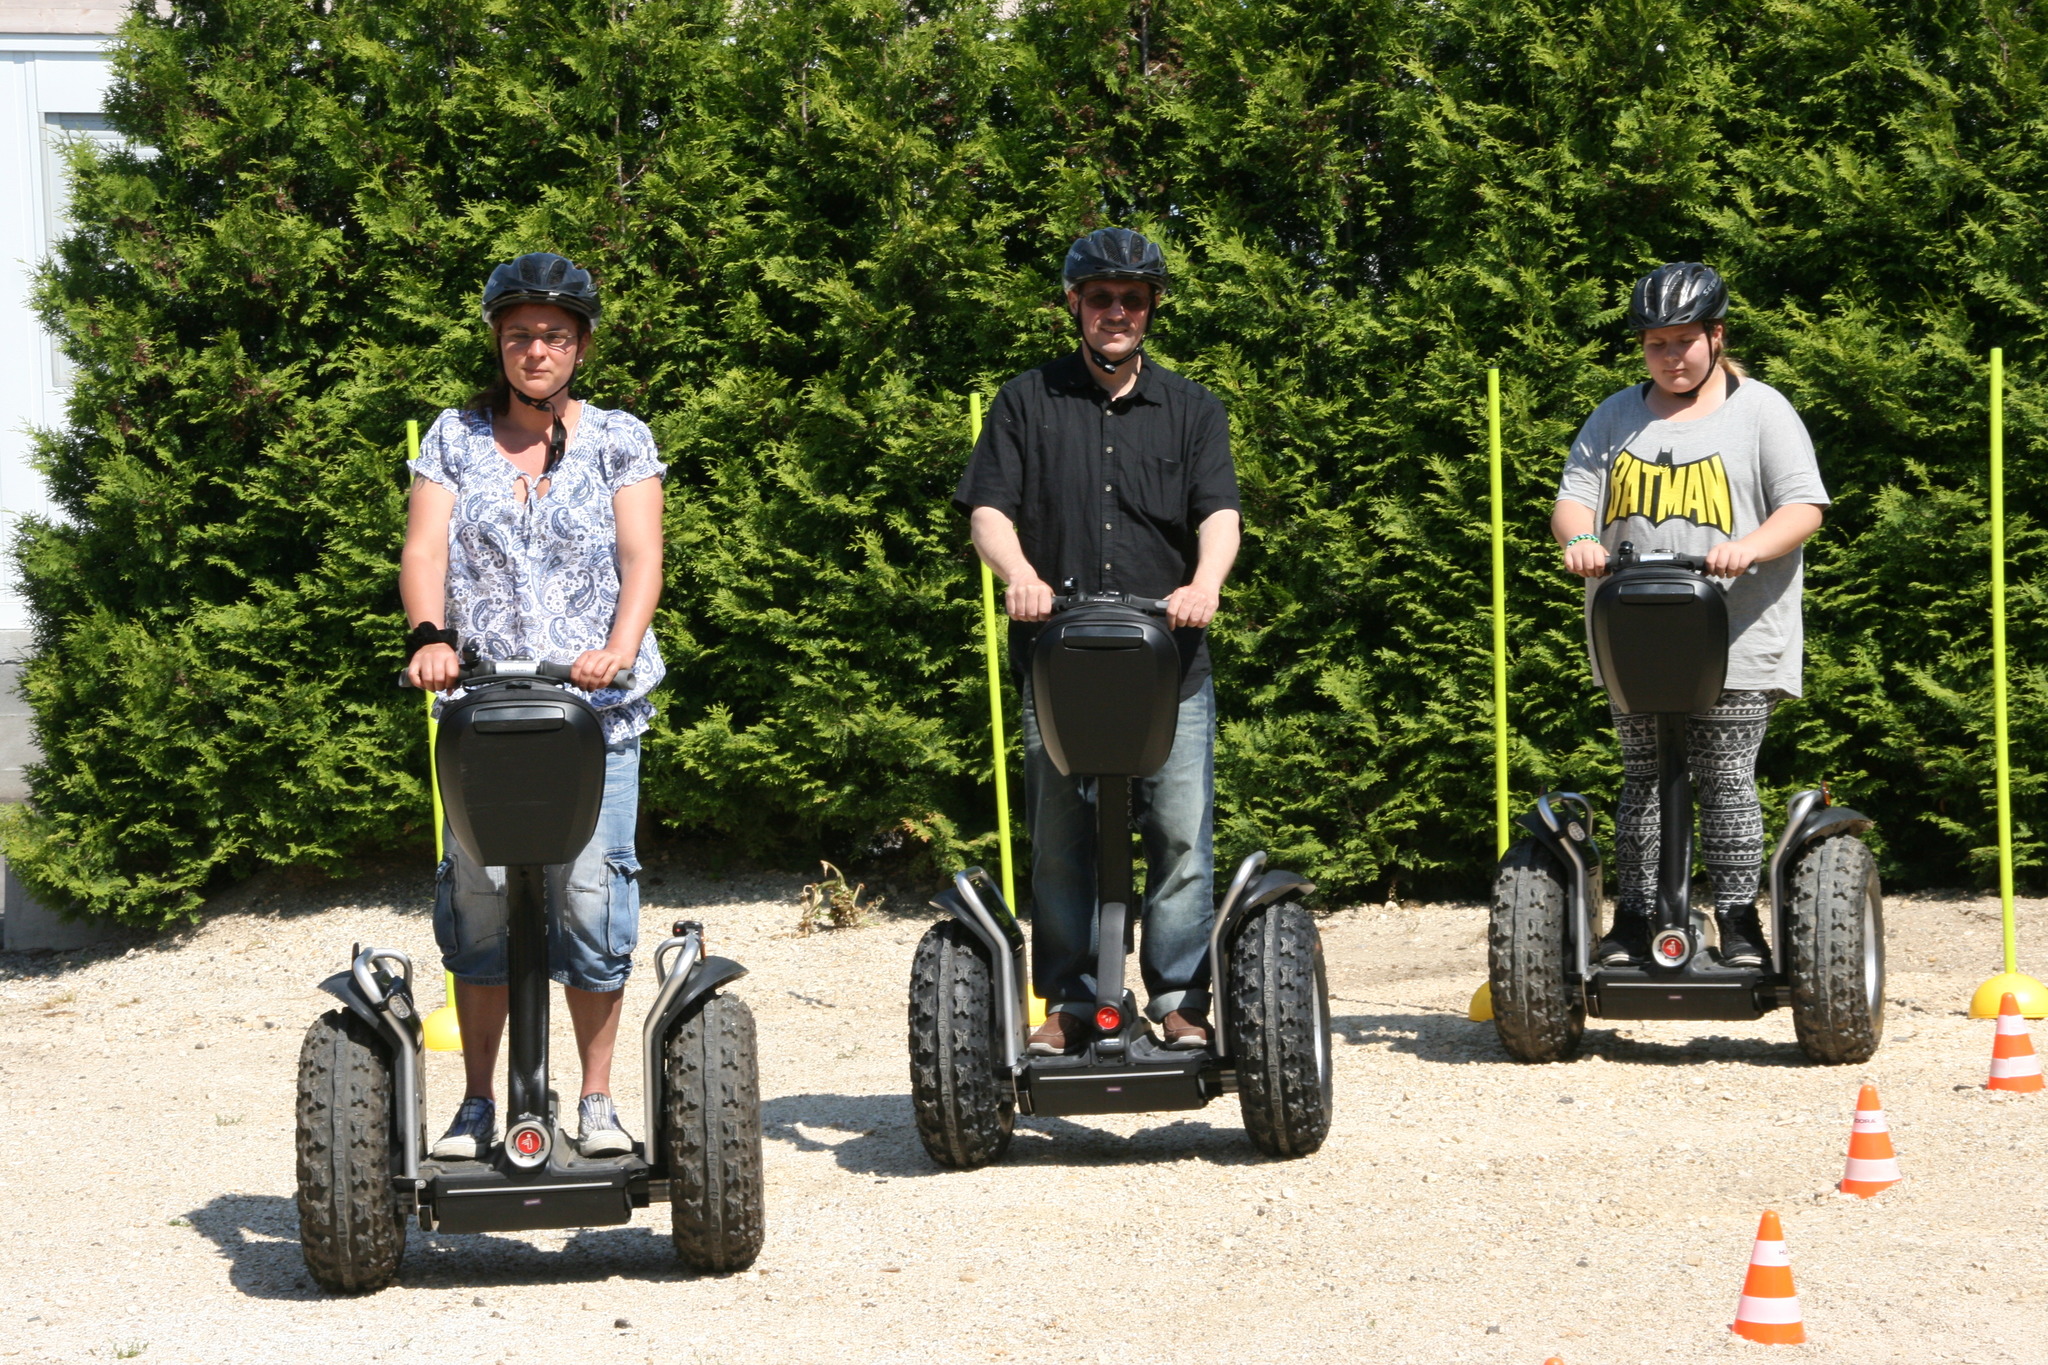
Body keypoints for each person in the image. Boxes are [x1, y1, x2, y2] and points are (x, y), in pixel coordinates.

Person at [400, 252, 667, 1160]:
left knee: (592, 899)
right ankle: (480, 1101)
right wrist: (430, 636)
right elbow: (425, 549)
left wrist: (619, 648)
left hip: (595, 716)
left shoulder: (620, 438)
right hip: (485, 713)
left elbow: (642, 557)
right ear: (498, 343)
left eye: (554, 335)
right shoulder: (454, 436)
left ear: (580, 344)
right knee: (479, 905)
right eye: (519, 335)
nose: (536, 350)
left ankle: (595, 1100)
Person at [953, 227, 1242, 1054]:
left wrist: (1204, 584)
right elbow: (989, 510)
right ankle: (1073, 1001)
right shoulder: (1025, 401)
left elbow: (1219, 513)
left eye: (1133, 299)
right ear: (1074, 305)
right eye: (1102, 297)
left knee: (1181, 833)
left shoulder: (1192, 409)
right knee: (1060, 841)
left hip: (1169, 663)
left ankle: (1180, 998)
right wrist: (1018, 573)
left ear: (1150, 310)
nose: (1117, 312)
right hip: (1062, 664)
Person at [1553, 261, 1829, 968]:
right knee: (1642, 775)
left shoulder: (1761, 410)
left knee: (1725, 773)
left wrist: (1748, 547)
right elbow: (1574, 498)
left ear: (1716, 335)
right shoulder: (1615, 415)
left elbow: (1803, 506)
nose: (1671, 356)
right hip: (1637, 631)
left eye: (1685, 341)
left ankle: (1738, 921)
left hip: (1737, 629)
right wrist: (1580, 540)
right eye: (1657, 344)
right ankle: (1634, 920)